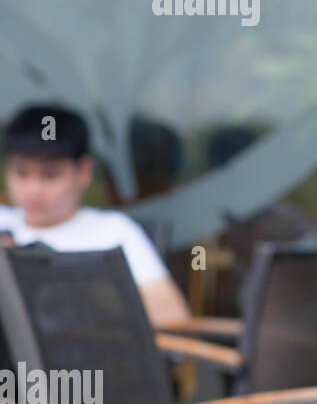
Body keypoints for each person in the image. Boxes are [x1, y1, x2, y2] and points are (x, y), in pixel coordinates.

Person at [0, 104, 191, 326]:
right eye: (21, 173)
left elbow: (172, 313)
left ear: (84, 171)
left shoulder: (113, 230)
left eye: (50, 175)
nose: (33, 190)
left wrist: (64, 284)